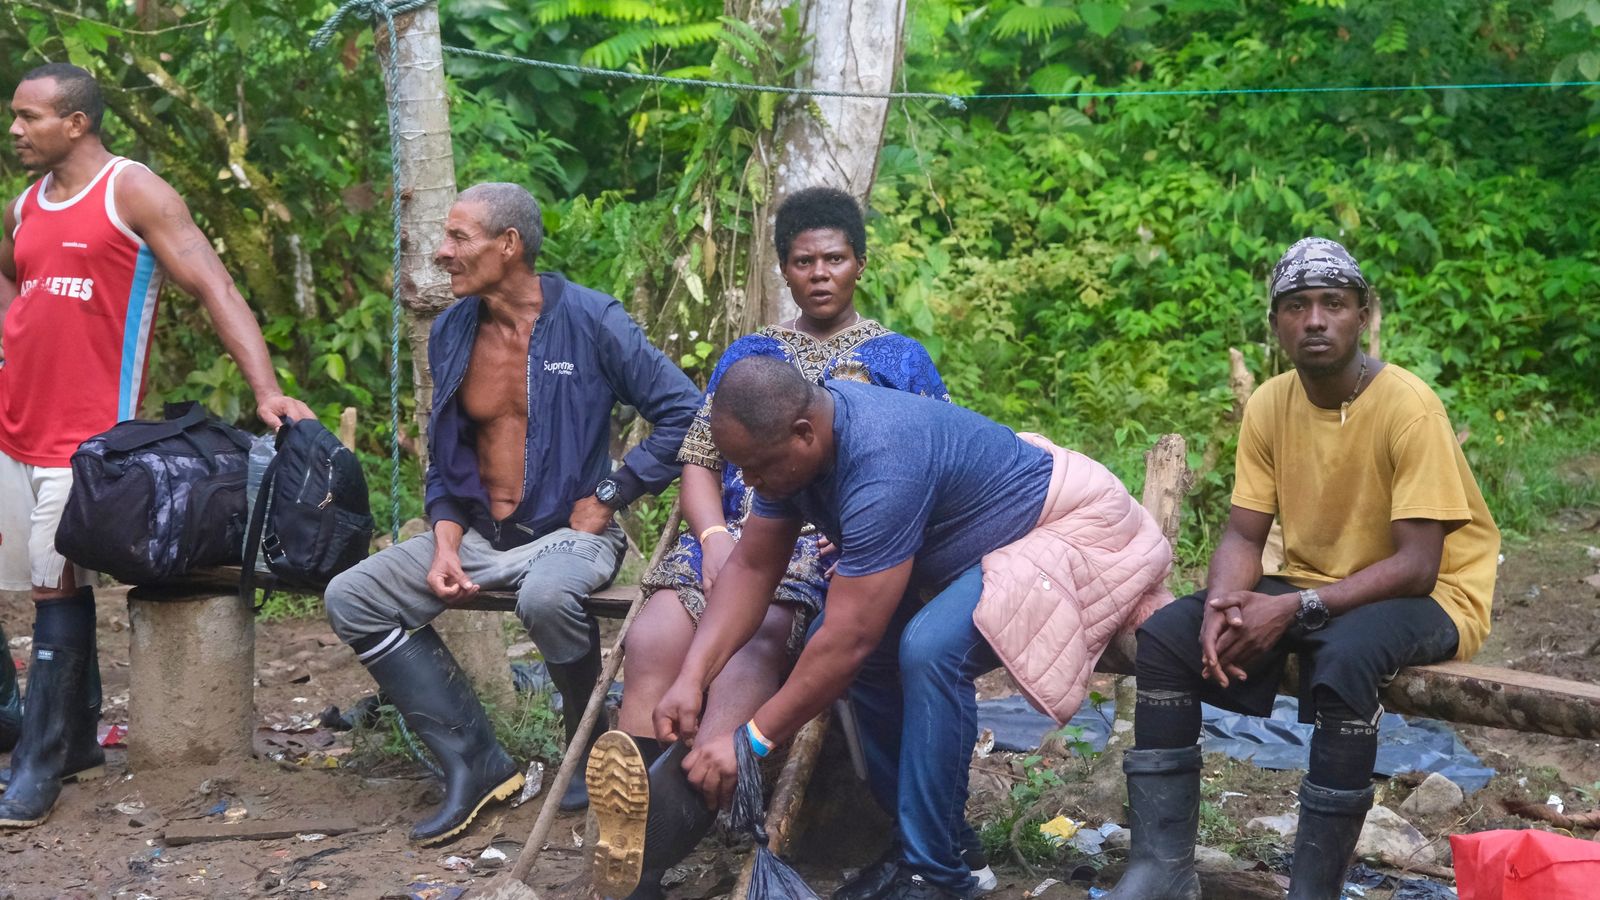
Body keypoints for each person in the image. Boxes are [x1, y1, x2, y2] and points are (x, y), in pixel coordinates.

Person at [643, 357, 1173, 900]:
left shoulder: (882, 461)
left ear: (803, 434)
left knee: (931, 649)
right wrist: (691, 677)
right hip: (974, 544)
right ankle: (944, 848)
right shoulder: (787, 452)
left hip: (1069, 526)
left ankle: (934, 877)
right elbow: (753, 567)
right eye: (742, 470)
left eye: (756, 470)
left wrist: (750, 739)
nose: (751, 484)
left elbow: (849, 640)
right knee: (866, 652)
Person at [1102, 238, 1499, 900]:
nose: (1315, 320)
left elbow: (1419, 566)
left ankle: (1314, 888)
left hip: (1431, 595)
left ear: (1362, 315)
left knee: (1344, 660)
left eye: (1333, 304)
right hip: (1317, 580)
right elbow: (1243, 531)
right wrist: (1226, 604)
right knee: (1169, 637)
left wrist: (1289, 609)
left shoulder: (1408, 406)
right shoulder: (1271, 403)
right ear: (1276, 324)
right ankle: (1162, 868)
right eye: (1296, 306)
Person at [320, 181, 700, 845]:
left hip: (569, 539)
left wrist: (613, 493)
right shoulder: (451, 331)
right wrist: (443, 541)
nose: (441, 253)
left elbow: (688, 412)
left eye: (457, 238)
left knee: (547, 598)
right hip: (476, 535)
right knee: (352, 595)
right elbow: (445, 462)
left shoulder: (592, 320)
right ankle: (475, 760)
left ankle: (584, 735)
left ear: (509, 245)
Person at [601, 186, 951, 899]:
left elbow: (924, 468)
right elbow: (699, 457)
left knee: (759, 632)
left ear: (859, 264)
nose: (819, 272)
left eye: (834, 258)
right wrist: (713, 535)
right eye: (803, 261)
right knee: (652, 639)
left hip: (828, 549)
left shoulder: (899, 360)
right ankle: (634, 811)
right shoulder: (753, 354)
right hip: (731, 536)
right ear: (784, 270)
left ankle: (689, 795)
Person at [0, 63, 315, 829]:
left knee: (54, 588)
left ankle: (37, 764)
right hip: (12, 427)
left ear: (76, 123)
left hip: (85, 443)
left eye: (29, 117)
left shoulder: (131, 190)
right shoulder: (24, 204)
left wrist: (267, 391)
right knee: (41, 586)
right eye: (14, 116)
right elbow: (16, 282)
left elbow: (215, 287)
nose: (14, 130)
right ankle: (64, 737)